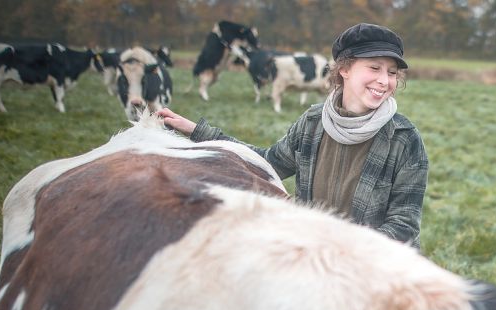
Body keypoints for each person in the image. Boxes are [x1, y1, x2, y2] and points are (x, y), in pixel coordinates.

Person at [158, 23, 428, 248]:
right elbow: (266, 163)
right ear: (344, 69)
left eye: (392, 73)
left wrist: (344, 251)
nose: (385, 80)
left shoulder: (404, 139)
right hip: (310, 257)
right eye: (374, 68)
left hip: (372, 269)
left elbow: (404, 223)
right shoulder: (312, 122)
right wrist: (199, 132)